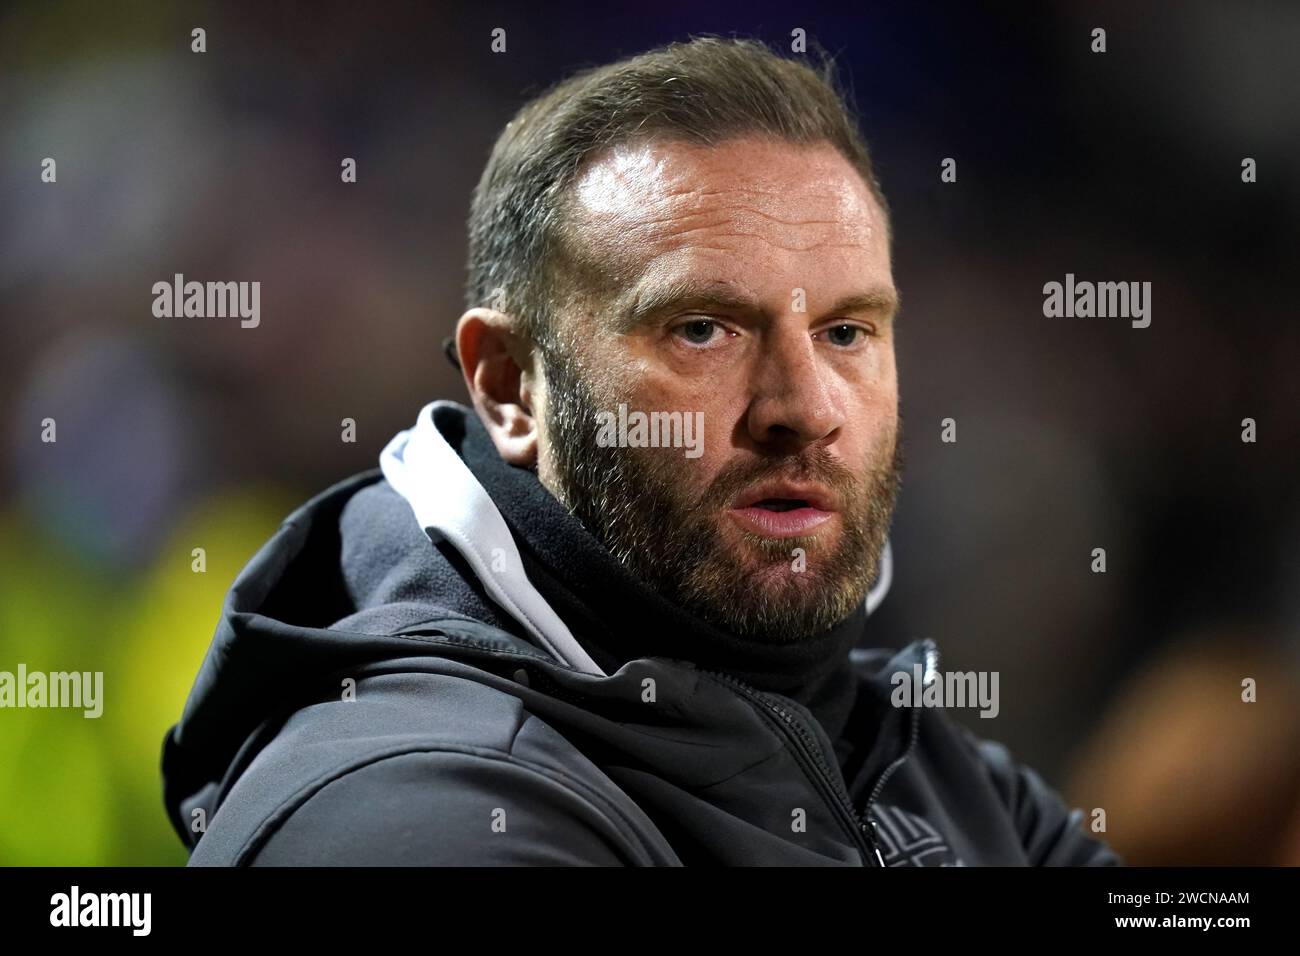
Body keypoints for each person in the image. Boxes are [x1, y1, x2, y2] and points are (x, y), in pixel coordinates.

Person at [161, 36, 1119, 866]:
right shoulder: (413, 818)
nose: (804, 409)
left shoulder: (930, 769)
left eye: (847, 331)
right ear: (509, 385)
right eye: (703, 329)